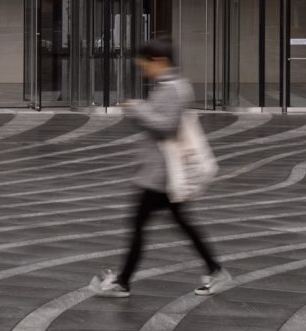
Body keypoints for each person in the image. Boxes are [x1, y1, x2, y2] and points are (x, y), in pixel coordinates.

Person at [89, 37, 231, 298]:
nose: (143, 70)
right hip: (159, 172)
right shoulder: (166, 85)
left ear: (160, 61)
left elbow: (167, 126)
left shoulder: (173, 88)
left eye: (145, 65)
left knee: (141, 225)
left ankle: (123, 281)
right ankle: (214, 270)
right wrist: (138, 112)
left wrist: (138, 108)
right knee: (176, 223)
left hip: (162, 175)